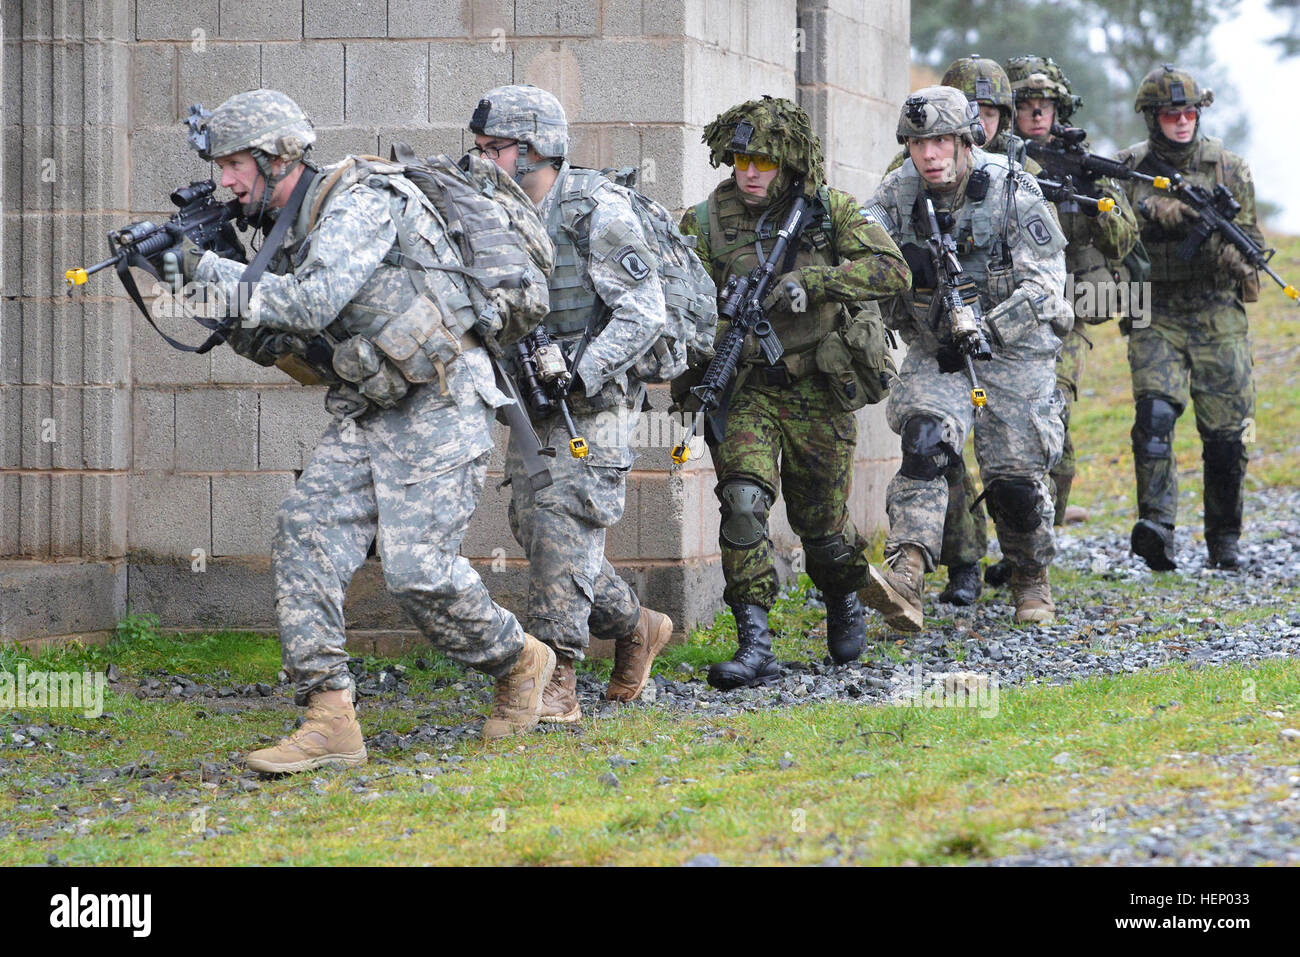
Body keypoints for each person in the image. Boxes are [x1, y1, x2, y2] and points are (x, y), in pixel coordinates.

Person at [167, 89, 556, 771]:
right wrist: (186, 277)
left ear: (275, 156)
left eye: (233, 165)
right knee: (305, 530)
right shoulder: (284, 227)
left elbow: (310, 302)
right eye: (219, 168)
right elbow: (274, 341)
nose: (224, 182)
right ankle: (330, 717)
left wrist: (207, 267)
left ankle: (520, 660)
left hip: (442, 395)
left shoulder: (357, 200)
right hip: (373, 401)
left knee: (417, 572)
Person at [678, 96, 910, 688]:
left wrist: (818, 281)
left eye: (763, 161)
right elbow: (680, 301)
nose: (749, 172)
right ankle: (754, 641)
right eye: (740, 160)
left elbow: (893, 271)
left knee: (822, 527)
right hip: (748, 389)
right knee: (743, 503)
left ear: (788, 162)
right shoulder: (706, 221)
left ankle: (842, 595)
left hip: (816, 389)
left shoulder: (830, 211)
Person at [468, 84, 675, 722]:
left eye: (495, 148)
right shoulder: (491, 212)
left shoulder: (596, 213)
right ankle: (637, 625)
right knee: (535, 526)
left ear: (536, 150)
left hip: (597, 399)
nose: (482, 160)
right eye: (478, 148)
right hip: (530, 398)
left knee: (562, 519)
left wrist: (580, 373)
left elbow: (645, 313)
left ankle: (558, 674)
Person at [863, 85, 1069, 630]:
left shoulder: (1013, 188)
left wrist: (987, 327)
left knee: (1015, 482)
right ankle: (907, 573)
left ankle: (1030, 577)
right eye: (917, 144)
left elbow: (1047, 287)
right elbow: (858, 240)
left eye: (939, 142)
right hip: (940, 347)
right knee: (923, 441)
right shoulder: (899, 190)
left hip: (1014, 348)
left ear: (964, 141)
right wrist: (895, 266)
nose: (928, 155)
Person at [1116, 65, 1261, 571]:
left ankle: (1225, 538)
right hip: (1154, 306)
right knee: (1154, 418)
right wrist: (1155, 211)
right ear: (1152, 118)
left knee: (1230, 435)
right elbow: (1111, 232)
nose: (1182, 122)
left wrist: (1224, 249)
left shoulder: (1229, 168)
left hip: (1216, 308)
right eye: (1171, 114)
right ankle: (1157, 529)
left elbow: (1253, 244)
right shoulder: (1128, 167)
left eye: (1190, 113)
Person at [996, 55, 1139, 555]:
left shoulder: (1085, 162)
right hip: (1003, 309)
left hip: (1064, 314)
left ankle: (1040, 535)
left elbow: (1123, 240)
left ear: (1060, 109)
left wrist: (1095, 203)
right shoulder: (993, 160)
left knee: (1052, 412)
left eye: (1046, 104)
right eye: (1026, 105)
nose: (1037, 114)